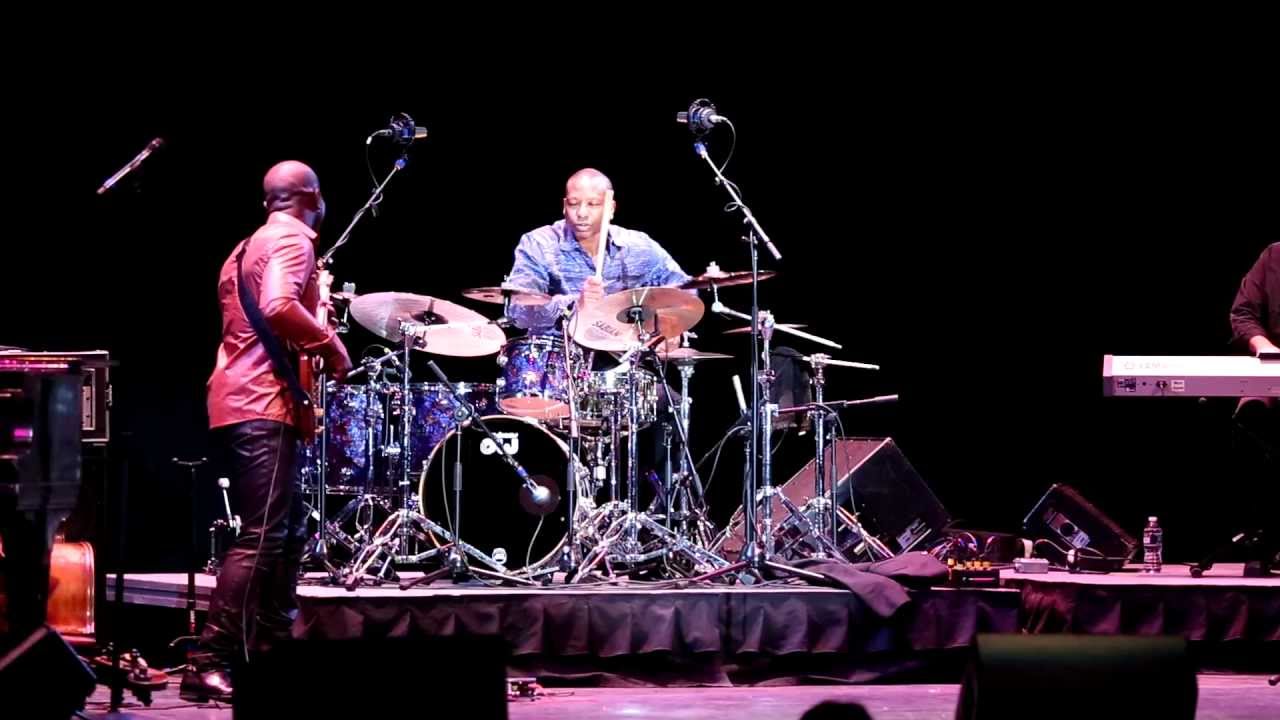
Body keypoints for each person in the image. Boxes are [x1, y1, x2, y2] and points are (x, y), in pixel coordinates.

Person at [183, 161, 351, 701]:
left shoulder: (245, 246)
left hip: (242, 396)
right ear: (312, 197)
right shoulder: (292, 240)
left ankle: (274, 649)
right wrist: (331, 343)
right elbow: (277, 305)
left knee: (287, 531)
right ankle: (207, 662)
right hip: (262, 402)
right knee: (262, 536)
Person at [504, 168, 694, 500]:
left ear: (610, 208)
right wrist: (571, 304)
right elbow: (518, 310)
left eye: (592, 204)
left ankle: (658, 518)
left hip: (617, 367)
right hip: (554, 369)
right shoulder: (539, 244)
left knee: (671, 408)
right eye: (574, 203)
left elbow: (685, 292)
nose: (581, 213)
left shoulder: (638, 247)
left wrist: (670, 327)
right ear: (564, 205)